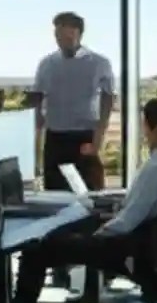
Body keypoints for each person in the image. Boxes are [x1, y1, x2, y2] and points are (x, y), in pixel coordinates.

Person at [8, 98, 157, 303]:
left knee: (38, 249)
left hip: (136, 250)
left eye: (145, 127)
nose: (144, 133)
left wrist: (95, 235)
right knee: (78, 228)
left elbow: (127, 222)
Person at [28, 12, 115, 192]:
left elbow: (108, 98)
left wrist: (98, 137)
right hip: (55, 137)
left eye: (65, 34)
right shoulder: (46, 63)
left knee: (88, 190)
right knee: (54, 190)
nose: (60, 39)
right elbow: (37, 97)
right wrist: (36, 124)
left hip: (84, 136)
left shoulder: (99, 63)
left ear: (78, 33)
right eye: (57, 35)